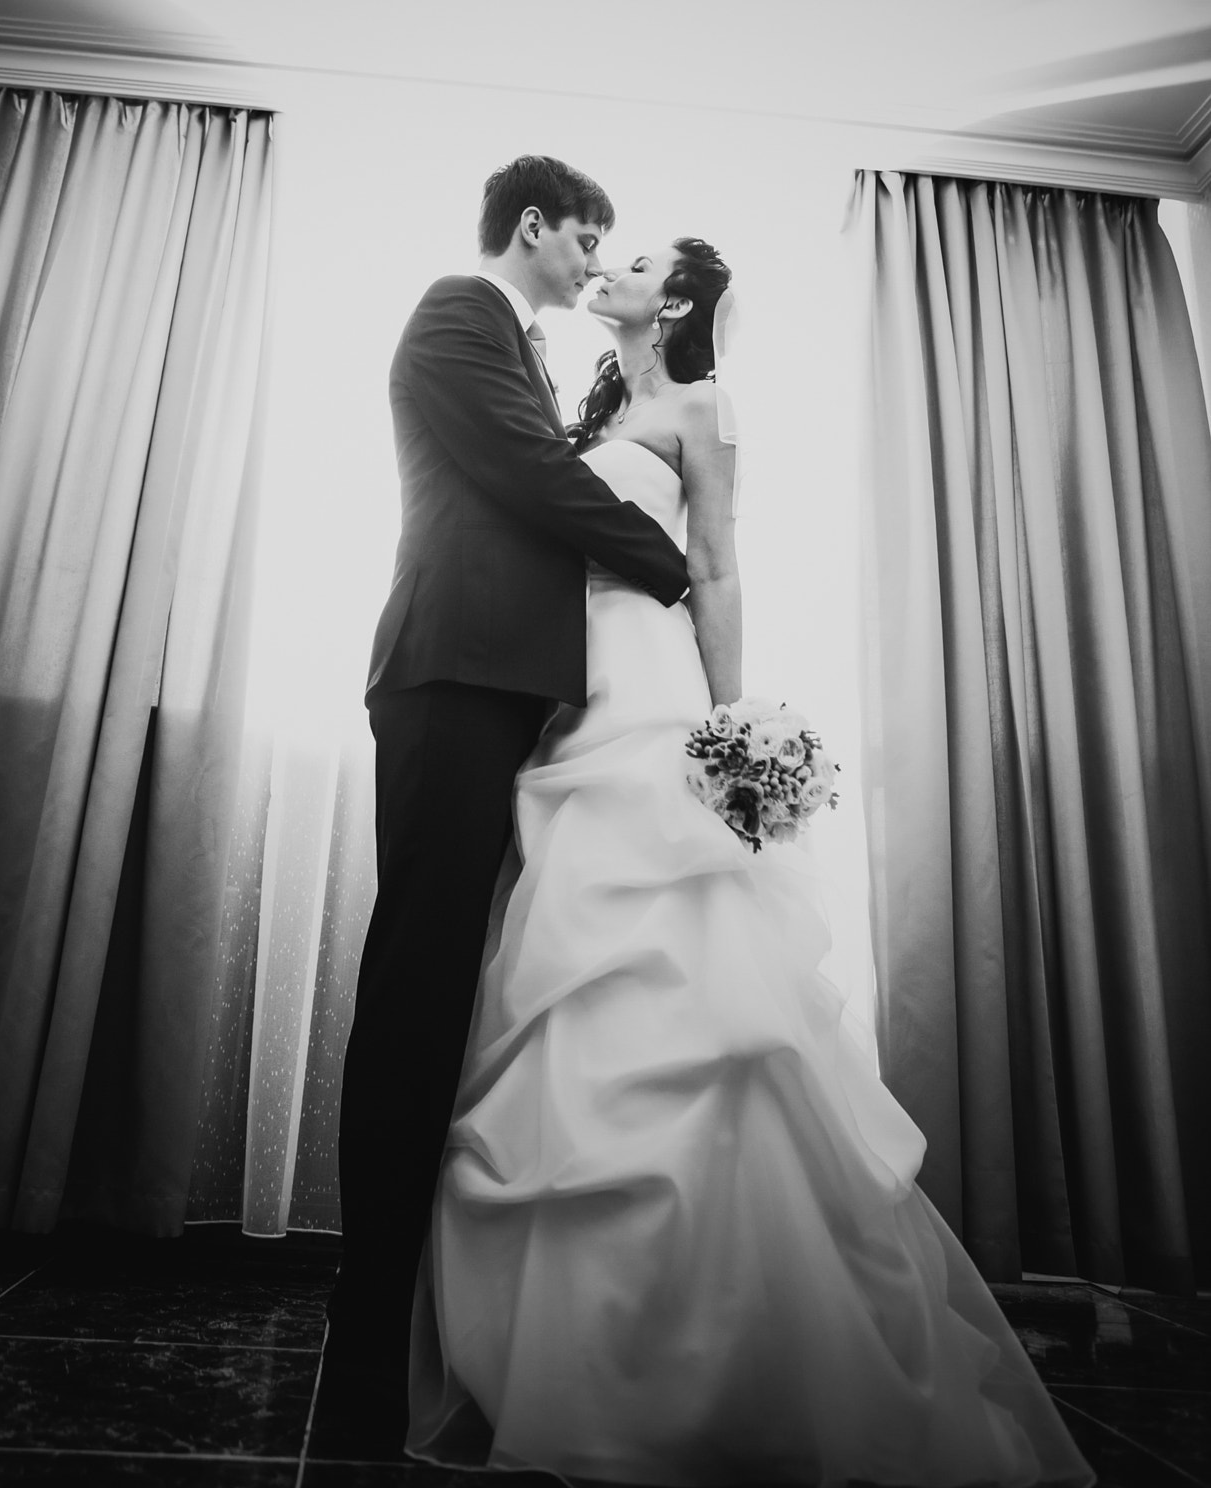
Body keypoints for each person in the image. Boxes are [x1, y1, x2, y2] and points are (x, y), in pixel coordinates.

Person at [405, 237, 1095, 1487]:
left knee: (681, 961)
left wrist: (732, 730)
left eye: (634, 256)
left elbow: (715, 560)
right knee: (567, 957)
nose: (605, 264)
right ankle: (594, 1327)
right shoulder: (590, 407)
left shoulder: (702, 407)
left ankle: (739, 1324)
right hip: (566, 694)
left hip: (654, 694)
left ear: (674, 300)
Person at [312, 158, 692, 1459]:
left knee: (462, 996)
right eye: (587, 234)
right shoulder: (456, 313)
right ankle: (363, 1328)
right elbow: (529, 474)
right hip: (449, 682)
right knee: (417, 986)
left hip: (507, 699)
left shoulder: (531, 348)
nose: (596, 260)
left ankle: (423, 1300)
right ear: (529, 226)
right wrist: (667, 563)